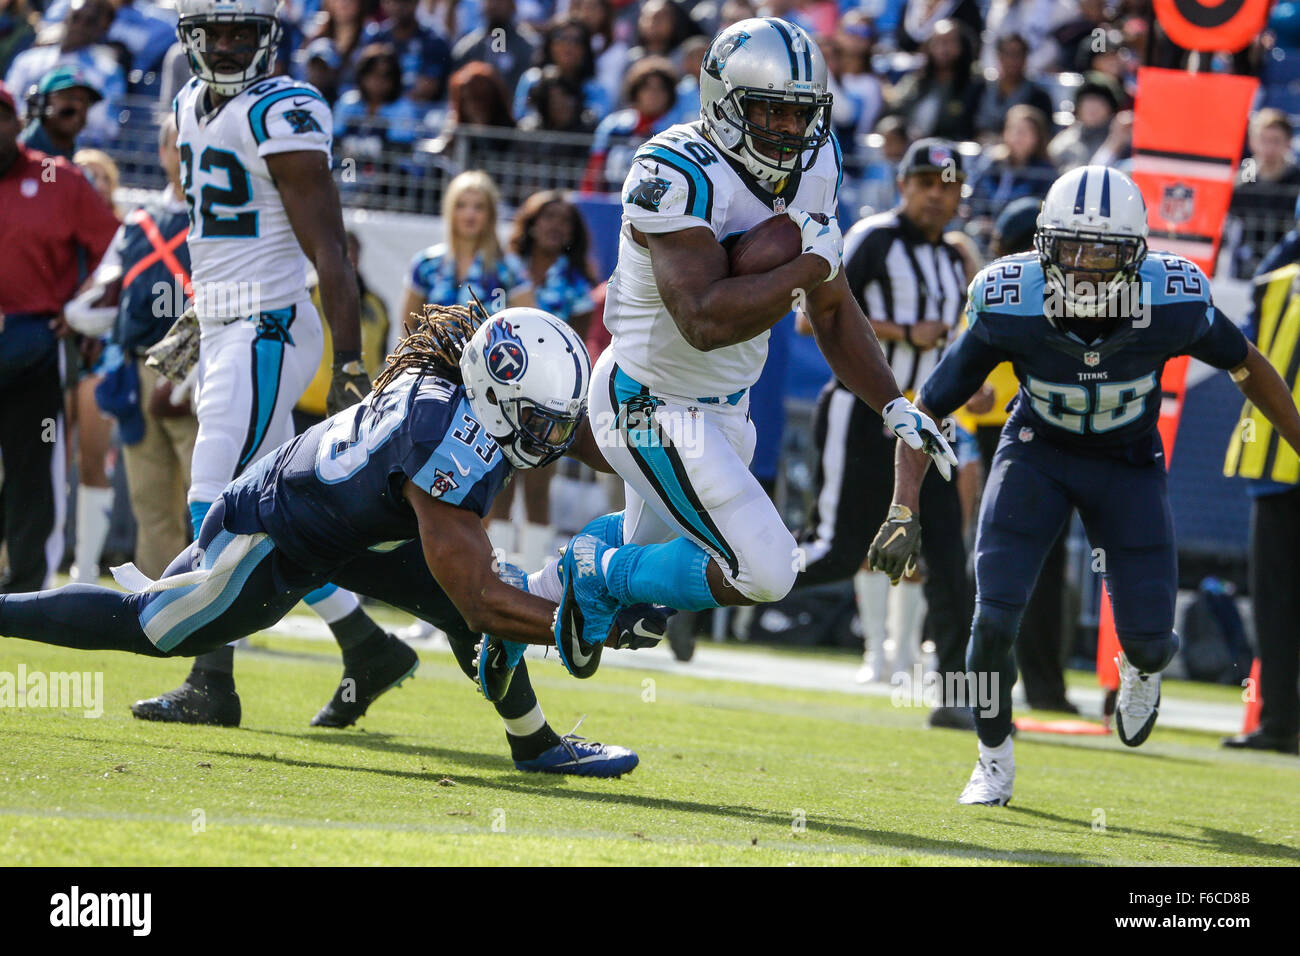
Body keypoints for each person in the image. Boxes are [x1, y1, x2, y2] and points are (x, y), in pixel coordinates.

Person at [0, 306, 665, 777]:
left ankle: (537, 745)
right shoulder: (444, 443)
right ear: (495, 396)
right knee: (151, 626)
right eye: (539, 425)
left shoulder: (473, 395)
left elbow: (582, 434)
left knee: (480, 610)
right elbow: (481, 603)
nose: (552, 442)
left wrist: (670, 462)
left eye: (555, 423)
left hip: (365, 525)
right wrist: (591, 629)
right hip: (278, 534)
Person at [487, 18, 954, 688]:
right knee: (765, 569)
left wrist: (892, 403)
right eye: (770, 111)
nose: (789, 132)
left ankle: (514, 615)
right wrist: (803, 266)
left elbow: (830, 306)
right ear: (722, 102)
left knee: (649, 547)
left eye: (801, 115)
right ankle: (591, 573)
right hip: (646, 401)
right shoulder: (672, 170)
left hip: (726, 410)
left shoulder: (816, 166)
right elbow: (703, 320)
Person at [873, 165, 1300, 805]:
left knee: (1153, 644)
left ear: (1135, 255)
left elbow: (1247, 365)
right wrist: (903, 505)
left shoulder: (1172, 300)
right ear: (1045, 245)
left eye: (1103, 251)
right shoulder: (1009, 300)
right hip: (1036, 454)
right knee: (991, 623)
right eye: (1070, 247)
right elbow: (925, 409)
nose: (1084, 266)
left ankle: (1138, 666)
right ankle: (992, 758)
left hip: (1128, 461)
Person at [129, 0, 409, 730]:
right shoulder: (189, 104)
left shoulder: (283, 110)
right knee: (279, 513)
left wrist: (351, 364)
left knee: (213, 500)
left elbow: (329, 250)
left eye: (242, 32)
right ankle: (368, 644)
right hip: (230, 324)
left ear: (268, 37)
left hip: (269, 327)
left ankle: (210, 680)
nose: (227, 45)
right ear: (188, 38)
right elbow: (224, 233)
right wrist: (201, 309)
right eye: (213, 32)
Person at [794, 138, 975, 727]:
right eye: (927, 182)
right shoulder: (872, 238)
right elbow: (808, 318)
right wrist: (902, 330)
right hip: (864, 414)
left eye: (949, 185)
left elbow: (949, 342)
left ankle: (956, 695)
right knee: (837, 550)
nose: (938, 195)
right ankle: (709, 589)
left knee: (948, 558)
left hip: (929, 430)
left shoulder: (953, 259)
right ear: (903, 185)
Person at [0, 79, 119, 594]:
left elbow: (116, 251)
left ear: (14, 123)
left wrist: (86, 310)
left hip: (34, 342)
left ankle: (29, 592)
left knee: (34, 470)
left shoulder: (59, 179)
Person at [1221, 210, 1300, 755]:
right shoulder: (1278, 281)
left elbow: (1241, 345)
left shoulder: (1278, 281)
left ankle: (1277, 723)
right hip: (1275, 469)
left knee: (1276, 605)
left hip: (1277, 463)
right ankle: (1276, 722)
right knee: (1273, 606)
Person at [486, 189, 595, 570]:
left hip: (548, 403)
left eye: (564, 220)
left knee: (537, 491)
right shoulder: (501, 269)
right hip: (496, 395)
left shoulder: (578, 285)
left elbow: (576, 352)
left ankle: (532, 584)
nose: (555, 226)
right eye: (547, 217)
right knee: (495, 489)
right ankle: (489, 581)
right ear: (530, 223)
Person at [361, 0, 452, 103]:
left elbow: (429, 87)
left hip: (421, 111)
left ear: (416, 2)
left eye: (404, 2)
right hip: (380, 107)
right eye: (391, 1)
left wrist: (397, 105)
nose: (397, 6)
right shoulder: (376, 37)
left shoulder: (434, 40)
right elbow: (365, 80)